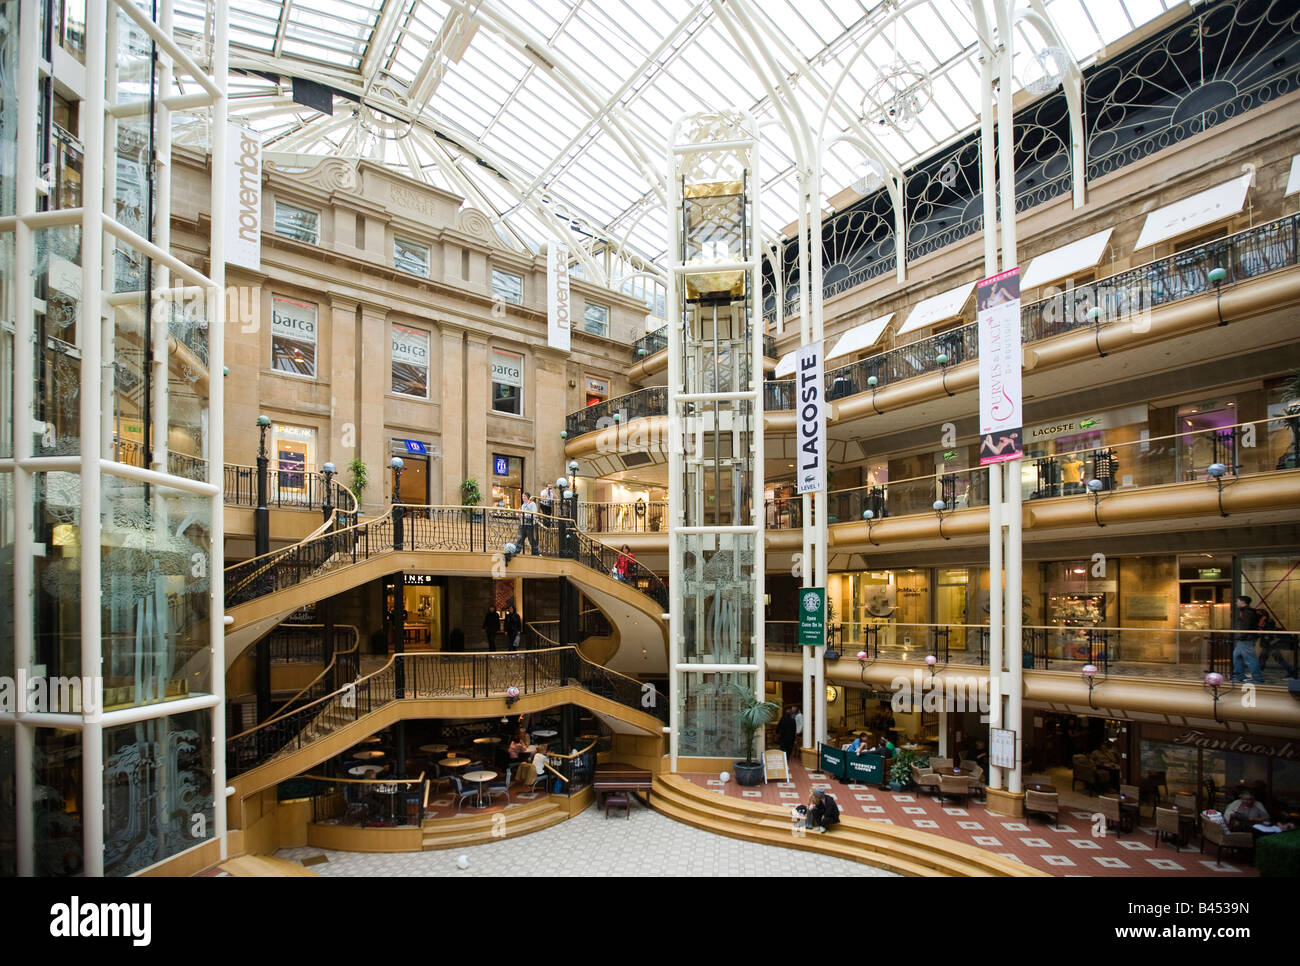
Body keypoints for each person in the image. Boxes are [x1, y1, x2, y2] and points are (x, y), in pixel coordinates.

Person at [1255, 608, 1297, 678]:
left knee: (1263, 659)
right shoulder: (1265, 622)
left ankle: (1257, 674)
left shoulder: (1268, 622)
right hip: (1270, 644)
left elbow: (1268, 634)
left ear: (1264, 616)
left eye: (1259, 616)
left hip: (1270, 644)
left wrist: (1261, 627)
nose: (1257, 617)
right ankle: (1292, 671)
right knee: (1278, 659)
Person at [1231, 595, 1264, 684]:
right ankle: (1240, 676)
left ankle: (1257, 677)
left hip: (1247, 638)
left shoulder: (1247, 612)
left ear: (1243, 602)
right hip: (1246, 637)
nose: (1236, 603)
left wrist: (1242, 636)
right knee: (1236, 655)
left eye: (1237, 601)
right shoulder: (1247, 611)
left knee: (1250, 657)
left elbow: (1247, 626)